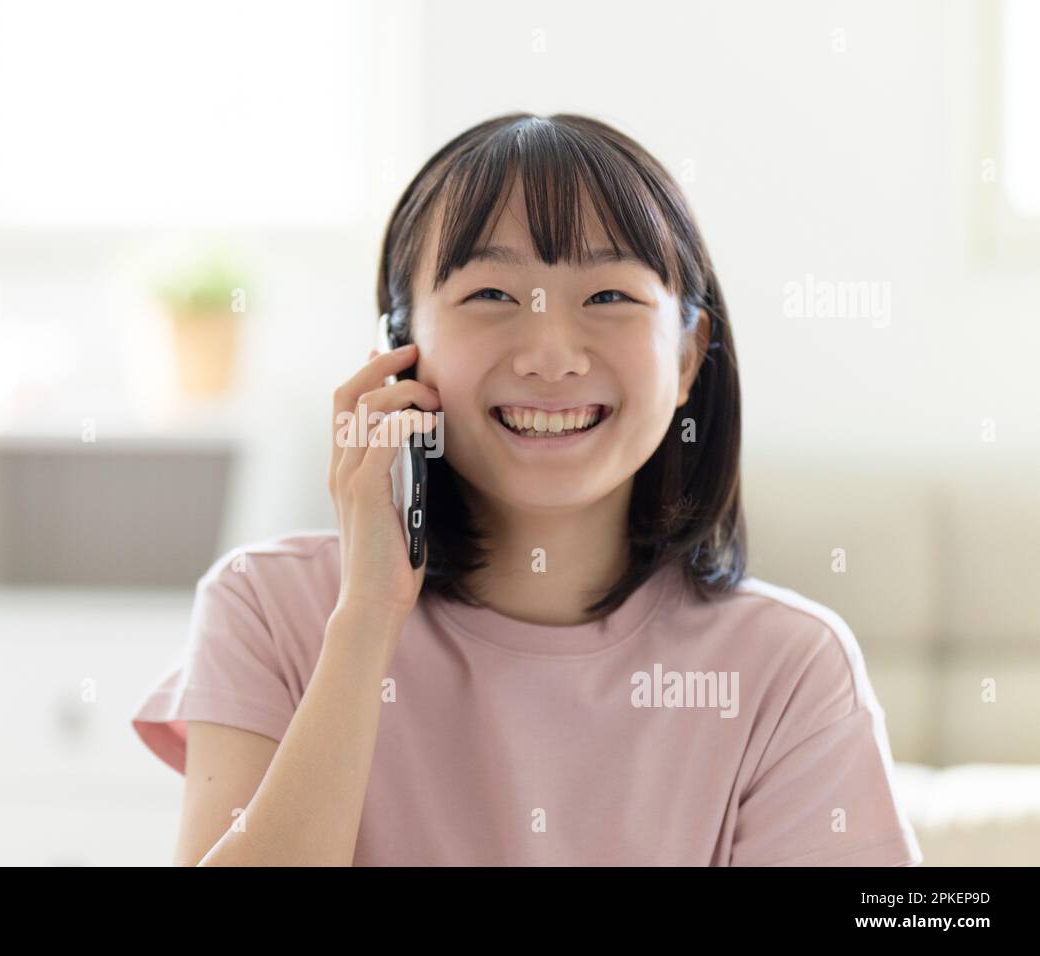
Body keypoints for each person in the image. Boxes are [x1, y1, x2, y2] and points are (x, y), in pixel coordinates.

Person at [132, 112, 923, 867]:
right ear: (401, 352)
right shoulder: (269, 609)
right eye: (492, 296)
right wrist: (367, 617)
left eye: (609, 297)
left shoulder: (788, 667)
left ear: (687, 358)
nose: (551, 355)